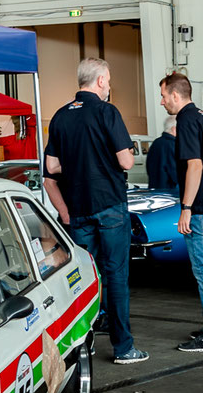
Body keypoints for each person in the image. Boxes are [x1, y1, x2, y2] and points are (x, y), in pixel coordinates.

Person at [46, 57, 146, 364]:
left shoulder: (60, 116)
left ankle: (82, 345)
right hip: (109, 205)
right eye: (109, 81)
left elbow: (52, 167)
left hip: (78, 209)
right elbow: (126, 161)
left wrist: (78, 164)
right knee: (116, 275)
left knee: (83, 278)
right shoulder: (107, 111)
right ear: (101, 80)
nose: (109, 86)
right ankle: (124, 348)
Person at [162, 73, 203, 354]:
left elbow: (196, 165)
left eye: (164, 96)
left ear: (176, 95)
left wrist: (186, 207)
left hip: (198, 209)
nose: (162, 101)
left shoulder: (186, 120)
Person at [146, 117, 179, 192]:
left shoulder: (156, 143)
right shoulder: (172, 145)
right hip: (170, 191)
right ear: (174, 129)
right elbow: (175, 172)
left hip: (154, 188)